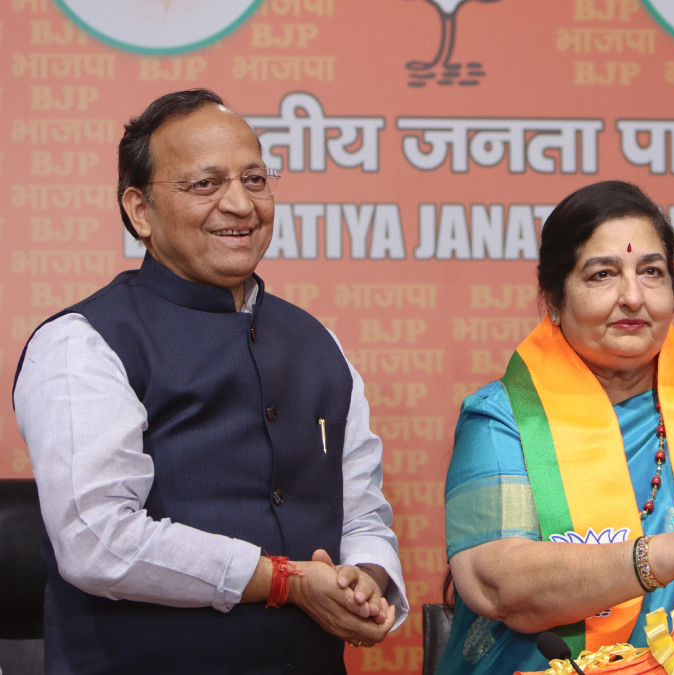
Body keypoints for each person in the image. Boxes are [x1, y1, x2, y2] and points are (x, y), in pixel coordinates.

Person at [13, 88, 407, 673]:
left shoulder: (318, 344)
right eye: (205, 184)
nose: (241, 205)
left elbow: (363, 513)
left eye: (255, 180)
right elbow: (97, 540)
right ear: (140, 210)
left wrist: (366, 579)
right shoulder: (84, 342)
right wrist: (284, 580)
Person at [437, 180, 674, 674]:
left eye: (651, 272)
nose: (632, 297)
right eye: (602, 274)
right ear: (554, 299)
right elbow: (497, 584)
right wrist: (667, 555)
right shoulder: (504, 419)